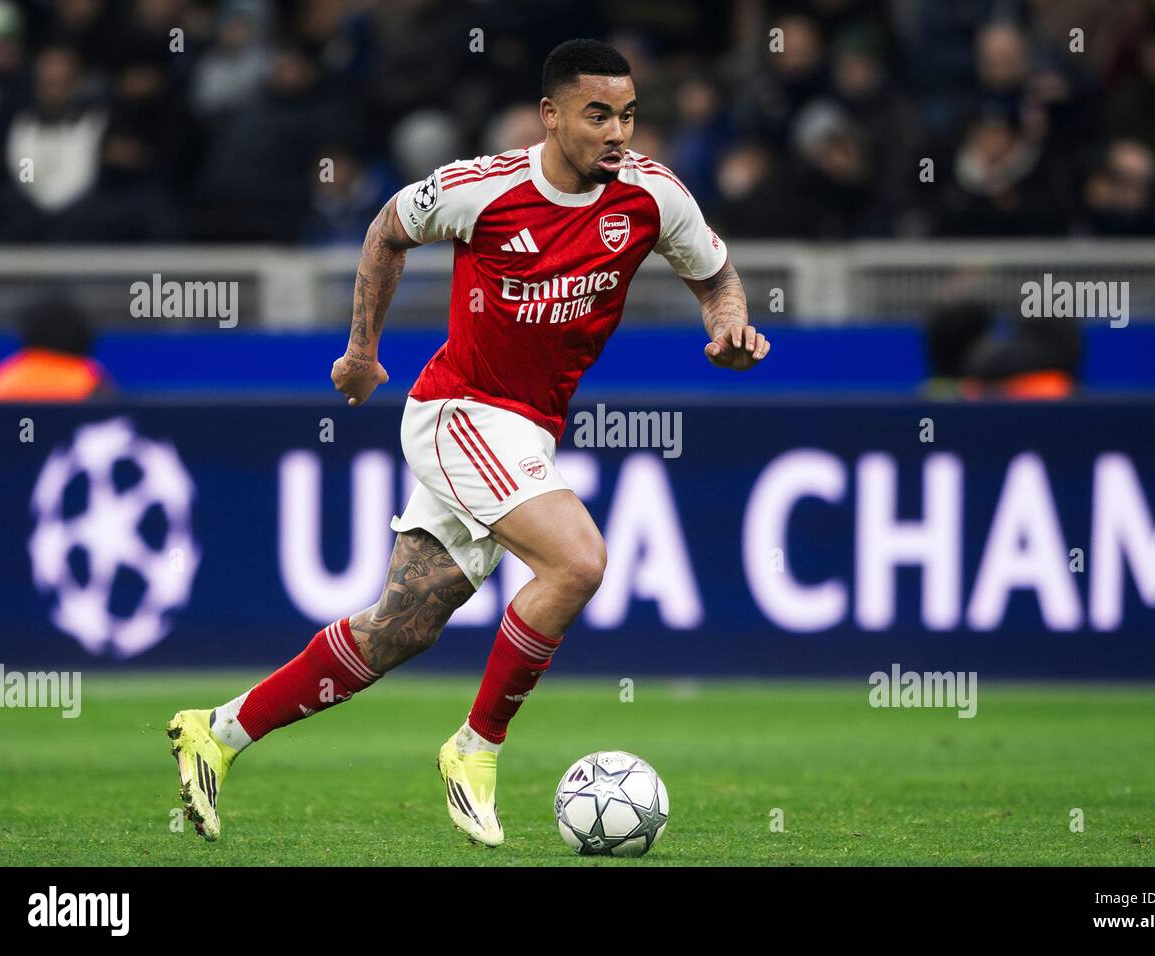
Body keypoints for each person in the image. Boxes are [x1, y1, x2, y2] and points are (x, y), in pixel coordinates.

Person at [166, 39, 769, 847]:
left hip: (529, 429)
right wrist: (361, 352)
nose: (618, 132)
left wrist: (725, 316)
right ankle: (476, 747)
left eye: (628, 115)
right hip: (459, 411)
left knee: (404, 623)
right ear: (551, 116)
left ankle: (218, 732)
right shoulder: (480, 189)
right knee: (579, 561)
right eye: (598, 116)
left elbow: (716, 272)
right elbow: (386, 230)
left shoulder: (654, 197)